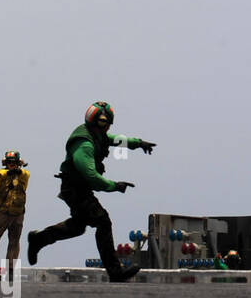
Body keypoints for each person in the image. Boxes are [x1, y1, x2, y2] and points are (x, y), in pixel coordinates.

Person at [26, 101, 156, 282]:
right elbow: (91, 176)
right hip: (76, 189)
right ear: (102, 123)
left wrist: (138, 143)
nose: (109, 127)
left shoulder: (96, 134)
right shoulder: (85, 145)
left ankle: (39, 239)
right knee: (103, 221)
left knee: (78, 227)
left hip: (79, 188)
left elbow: (115, 139)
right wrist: (114, 186)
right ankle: (115, 272)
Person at [0, 150, 29, 267]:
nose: (11, 164)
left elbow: (26, 175)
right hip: (3, 212)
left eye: (14, 162)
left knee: (14, 241)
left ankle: (10, 267)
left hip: (18, 213)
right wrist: (11, 172)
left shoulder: (23, 175)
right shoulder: (2, 173)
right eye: (9, 162)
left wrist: (18, 170)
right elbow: (0, 174)